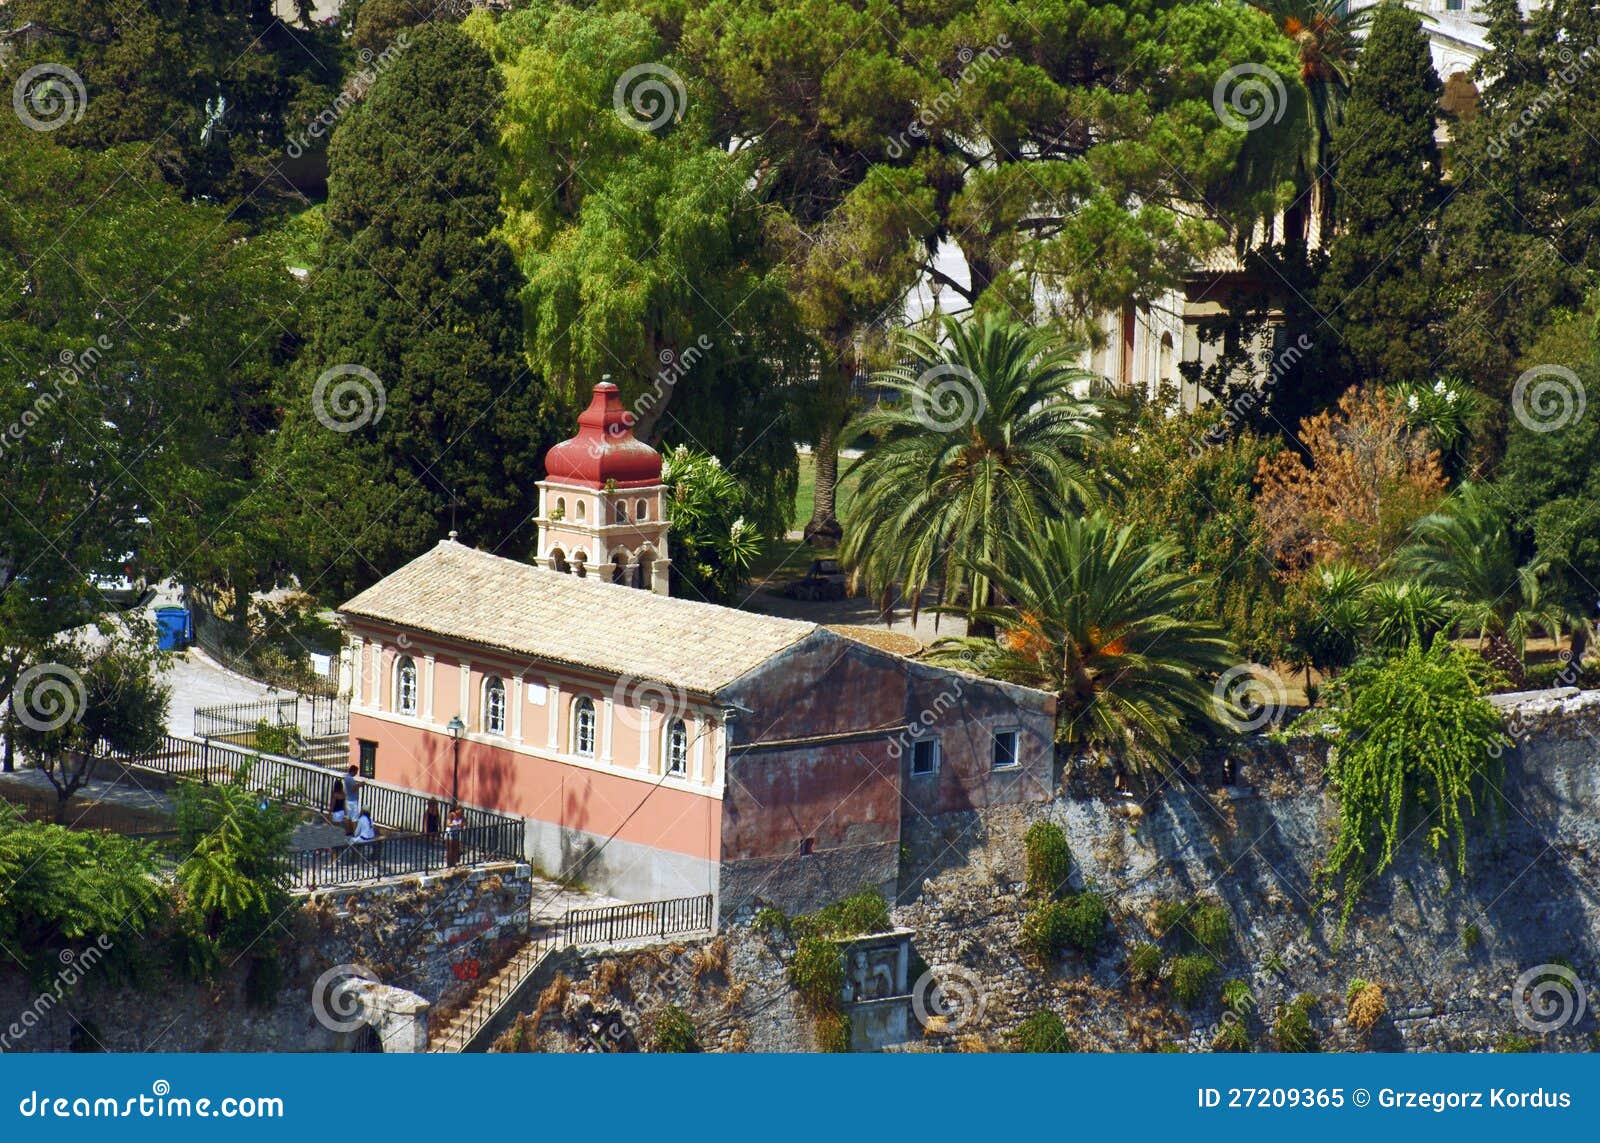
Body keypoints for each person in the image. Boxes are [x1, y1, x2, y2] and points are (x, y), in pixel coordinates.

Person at [444, 803, 464, 867]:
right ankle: (449, 864)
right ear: (456, 810)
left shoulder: (462, 816)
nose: (461, 813)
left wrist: (463, 826)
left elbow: (464, 823)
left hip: (456, 833)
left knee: (456, 849)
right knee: (450, 849)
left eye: (462, 811)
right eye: (460, 811)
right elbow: (448, 824)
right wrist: (455, 824)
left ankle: (456, 863)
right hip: (450, 833)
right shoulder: (451, 815)